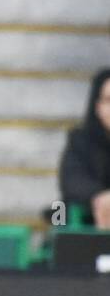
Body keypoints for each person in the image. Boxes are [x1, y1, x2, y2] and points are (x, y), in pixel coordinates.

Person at [59, 70, 110, 229]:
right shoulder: (80, 139)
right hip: (84, 213)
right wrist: (100, 197)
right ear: (97, 106)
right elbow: (71, 181)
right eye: (109, 100)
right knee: (57, 210)